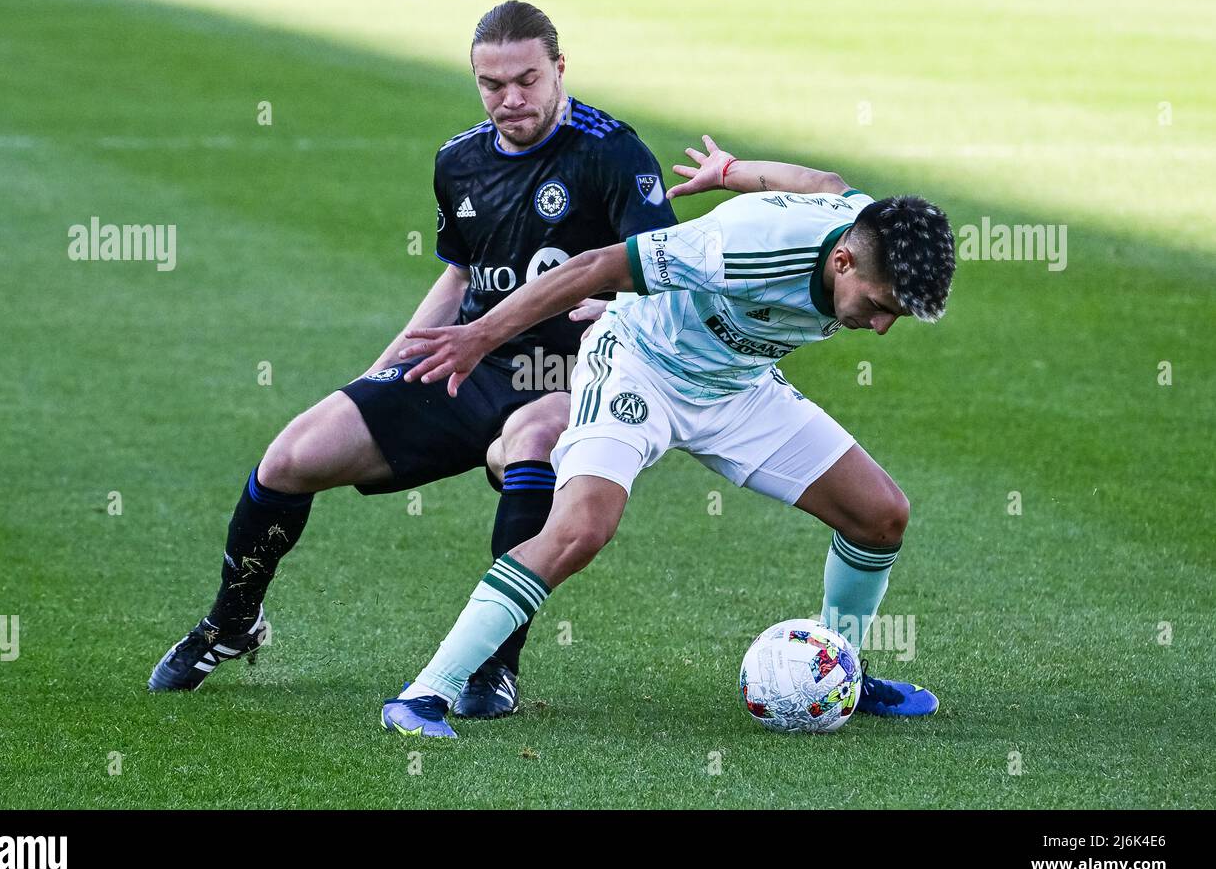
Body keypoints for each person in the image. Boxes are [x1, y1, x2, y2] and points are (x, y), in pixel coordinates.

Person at [148, 1, 677, 720]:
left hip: (572, 374)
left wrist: (615, 307)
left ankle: (494, 665)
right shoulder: (459, 161)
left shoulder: (613, 153)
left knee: (533, 441)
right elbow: (460, 276)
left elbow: (665, 272)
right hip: (468, 362)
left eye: (526, 79)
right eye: (491, 84)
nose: (510, 99)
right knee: (290, 457)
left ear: (559, 67)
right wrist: (382, 368)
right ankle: (232, 621)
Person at [380, 136, 955, 736]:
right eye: (880, 304)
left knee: (881, 516)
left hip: (739, 387)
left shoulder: (854, 223)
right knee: (580, 530)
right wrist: (480, 334)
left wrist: (731, 170)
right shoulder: (739, 247)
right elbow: (594, 267)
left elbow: (827, 182)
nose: (883, 327)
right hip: (641, 368)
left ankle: (841, 670)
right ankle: (425, 695)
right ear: (843, 263)